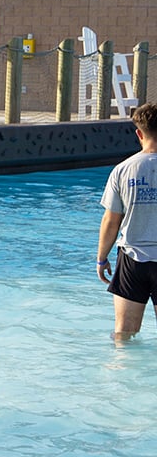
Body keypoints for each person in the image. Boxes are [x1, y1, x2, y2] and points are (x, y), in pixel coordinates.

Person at [97, 102, 157, 341]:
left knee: (123, 334)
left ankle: (121, 376)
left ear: (139, 134)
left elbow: (111, 221)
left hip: (132, 260)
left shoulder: (122, 170)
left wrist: (102, 258)